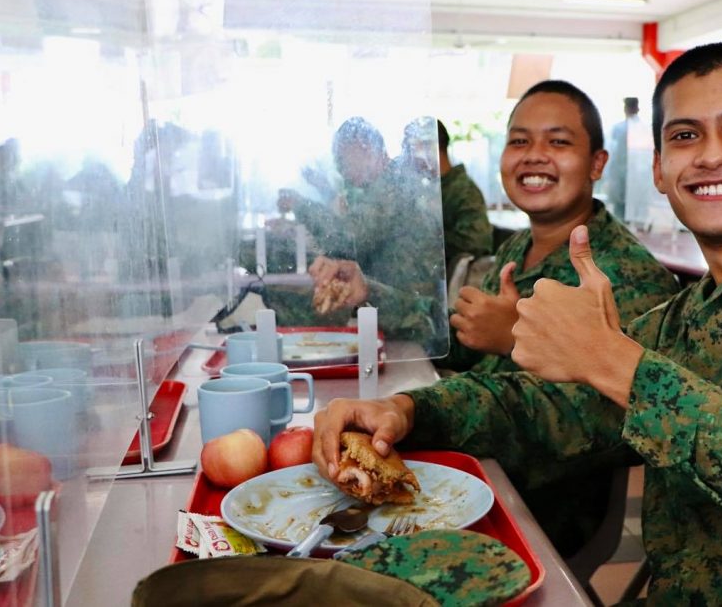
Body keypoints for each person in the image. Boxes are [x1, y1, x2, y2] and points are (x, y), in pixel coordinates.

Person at [312, 43, 722, 604]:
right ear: (658, 169)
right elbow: (540, 408)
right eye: (684, 136)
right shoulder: (682, 319)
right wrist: (406, 411)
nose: (711, 155)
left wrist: (619, 365)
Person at [434, 80, 678, 555]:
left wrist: (515, 338)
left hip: (541, 509)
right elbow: (469, 338)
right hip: (476, 470)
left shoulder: (626, 275)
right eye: (519, 141)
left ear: (597, 164)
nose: (534, 156)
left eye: (558, 142)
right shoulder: (518, 246)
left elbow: (604, 416)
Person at [280, 117, 446, 345]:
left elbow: (347, 239)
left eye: (342, 160)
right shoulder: (384, 185)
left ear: (364, 148)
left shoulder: (391, 186)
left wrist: (300, 205)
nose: (341, 171)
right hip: (398, 308)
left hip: (414, 317)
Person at [434, 118, 493, 267]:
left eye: (411, 147)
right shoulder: (434, 188)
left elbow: (476, 242)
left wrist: (428, 238)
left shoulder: (464, 191)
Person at [604, 96, 639, 219]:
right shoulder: (619, 129)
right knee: (622, 207)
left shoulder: (620, 129)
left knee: (623, 208)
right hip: (623, 174)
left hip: (630, 174)